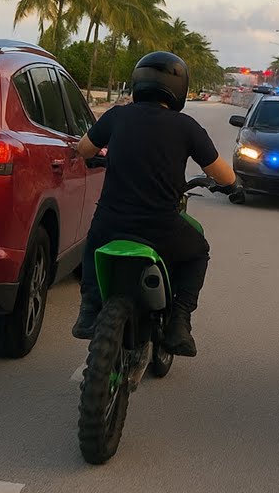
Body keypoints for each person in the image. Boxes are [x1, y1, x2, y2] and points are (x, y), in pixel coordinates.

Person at [73, 51, 240, 356]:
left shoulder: (116, 116)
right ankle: (179, 321)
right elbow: (224, 175)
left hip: (111, 223)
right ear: (178, 89)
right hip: (161, 228)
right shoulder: (186, 126)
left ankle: (89, 310)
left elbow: (84, 149)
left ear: (138, 82)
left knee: (92, 243)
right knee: (198, 252)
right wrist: (233, 187)